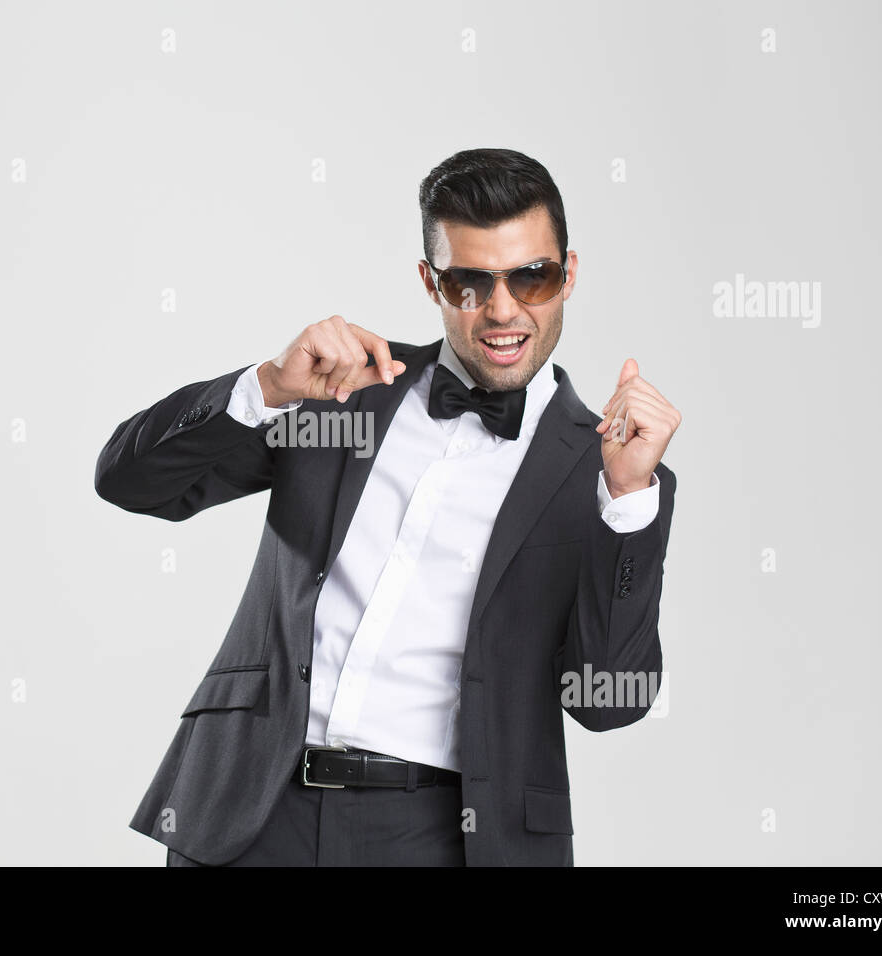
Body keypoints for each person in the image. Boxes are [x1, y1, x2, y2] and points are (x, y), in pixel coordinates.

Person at [94, 147, 681, 866]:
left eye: (532, 277)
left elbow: (608, 703)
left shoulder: (610, 471)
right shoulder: (344, 393)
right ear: (430, 281)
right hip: (252, 812)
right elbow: (129, 481)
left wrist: (625, 500)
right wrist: (266, 387)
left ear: (569, 274)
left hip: (445, 837)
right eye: (470, 282)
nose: (503, 311)